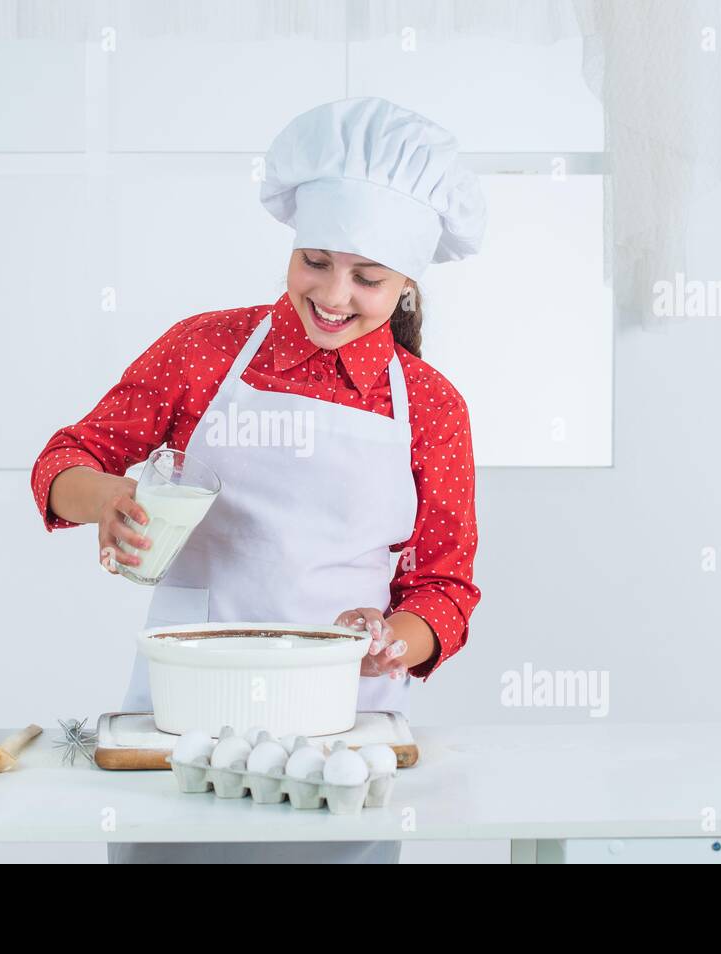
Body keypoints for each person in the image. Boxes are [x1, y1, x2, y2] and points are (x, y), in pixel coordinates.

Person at [32, 96, 485, 863]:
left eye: (367, 278)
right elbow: (64, 461)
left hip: (344, 735)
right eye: (316, 262)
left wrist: (393, 641)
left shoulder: (432, 407)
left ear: (406, 284)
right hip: (187, 716)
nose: (334, 296)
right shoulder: (203, 350)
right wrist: (105, 498)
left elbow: (445, 587)